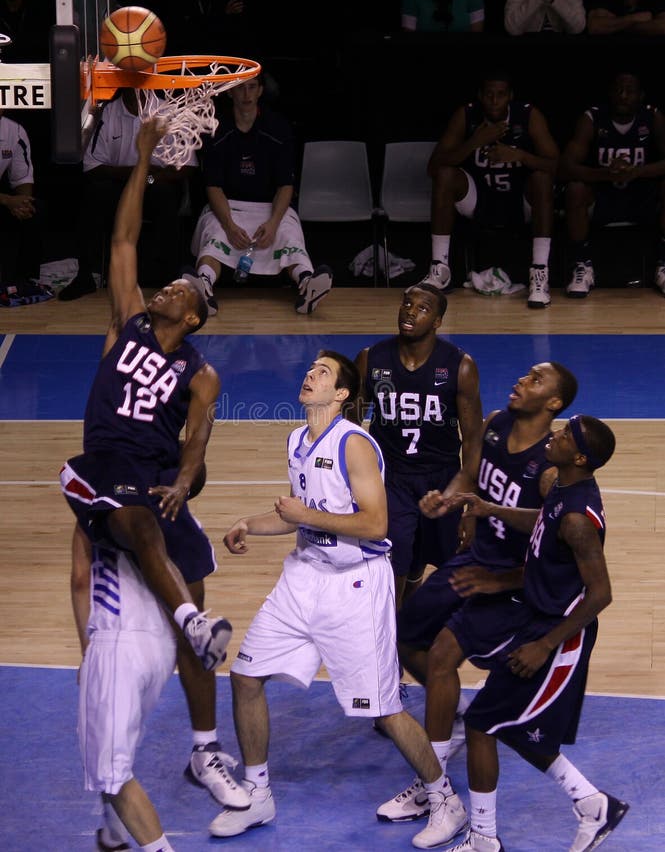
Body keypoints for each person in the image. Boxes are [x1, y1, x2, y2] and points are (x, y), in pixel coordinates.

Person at [210, 351, 453, 843]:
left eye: (322, 372)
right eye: (310, 369)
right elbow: (298, 513)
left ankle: (445, 800)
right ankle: (258, 795)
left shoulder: (354, 444)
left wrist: (305, 516)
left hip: (356, 585)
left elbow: (375, 524)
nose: (310, 374)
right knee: (245, 677)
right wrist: (249, 524)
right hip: (304, 577)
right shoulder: (296, 440)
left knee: (384, 709)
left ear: (342, 393)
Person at [60, 118, 232, 677]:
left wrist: (184, 480)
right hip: (106, 464)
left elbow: (198, 437)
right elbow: (124, 239)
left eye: (179, 290)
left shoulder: (200, 372)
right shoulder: (127, 325)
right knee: (82, 573)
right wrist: (143, 158)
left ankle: (192, 650)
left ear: (192, 317)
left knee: (181, 566)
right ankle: (92, 661)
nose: (166, 289)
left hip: (151, 471)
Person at [377, 361, 578, 835]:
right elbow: (469, 474)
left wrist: (504, 571)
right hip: (473, 559)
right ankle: (448, 717)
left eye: (535, 380)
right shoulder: (495, 424)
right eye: (525, 374)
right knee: (404, 637)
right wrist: (449, 499)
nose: (521, 380)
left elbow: (557, 544)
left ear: (554, 403)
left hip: (512, 579)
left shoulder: (550, 469)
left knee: (444, 656)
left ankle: (434, 784)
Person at [421, 415, 630, 851]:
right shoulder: (564, 490)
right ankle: (592, 804)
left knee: (482, 724)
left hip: (558, 637)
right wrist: (492, 509)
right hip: (537, 622)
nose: (554, 435)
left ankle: (484, 838)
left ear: (579, 457)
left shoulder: (577, 519)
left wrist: (544, 645)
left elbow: (601, 594)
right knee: (508, 726)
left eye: (565, 436)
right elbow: (543, 520)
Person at [70, 462, 249, 852]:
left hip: (117, 645)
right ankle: (113, 834)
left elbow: (81, 580)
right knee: (115, 751)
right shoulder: (179, 522)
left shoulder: (98, 510)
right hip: (162, 648)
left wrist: (87, 652)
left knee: (112, 772)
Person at [355, 282, 483, 608]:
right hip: (390, 476)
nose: (410, 312)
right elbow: (349, 427)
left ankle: (416, 606)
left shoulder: (459, 366)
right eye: (407, 304)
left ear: (437, 321)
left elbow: (472, 440)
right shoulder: (372, 359)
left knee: (433, 558)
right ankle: (390, 626)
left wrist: (469, 504)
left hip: (441, 476)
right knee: (393, 554)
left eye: (422, 308)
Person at [191, 74, 333, 315]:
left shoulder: (278, 128)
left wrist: (273, 224)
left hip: (269, 208)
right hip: (228, 207)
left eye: (252, 87)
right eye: (241, 88)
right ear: (230, 92)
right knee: (214, 233)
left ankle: (307, 283)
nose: (246, 94)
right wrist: (229, 226)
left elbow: (285, 186)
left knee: (288, 234)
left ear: (260, 91)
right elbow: (213, 187)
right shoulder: (216, 129)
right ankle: (203, 285)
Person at [424, 71, 559, 308]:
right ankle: (440, 270)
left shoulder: (528, 115)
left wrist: (519, 155)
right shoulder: (466, 115)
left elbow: (558, 166)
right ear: (480, 96)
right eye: (489, 95)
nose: (494, 101)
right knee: (445, 175)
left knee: (542, 179)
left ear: (510, 96)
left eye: (501, 95)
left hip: (519, 200)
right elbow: (433, 167)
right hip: (479, 198)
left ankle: (540, 273)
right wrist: (474, 142)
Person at [59, 88, 197, 301]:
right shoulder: (106, 113)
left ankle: (169, 278)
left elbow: (187, 166)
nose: (137, 85)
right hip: (120, 184)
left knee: (165, 195)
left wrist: (147, 178)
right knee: (94, 193)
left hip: (155, 184)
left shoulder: (169, 111)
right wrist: (137, 173)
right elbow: (92, 166)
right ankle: (85, 276)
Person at [560, 71, 665, 298]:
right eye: (618, 90)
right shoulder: (592, 118)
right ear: (610, 93)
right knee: (575, 189)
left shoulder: (652, 116)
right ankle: (582, 265)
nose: (623, 96)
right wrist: (606, 174)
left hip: (641, 197)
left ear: (641, 95)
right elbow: (566, 167)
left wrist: (637, 172)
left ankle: (663, 264)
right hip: (603, 197)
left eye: (630, 91)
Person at [0, 107, 49, 305]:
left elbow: (22, 178)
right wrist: (7, 200)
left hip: (3, 198)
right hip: (2, 198)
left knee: (36, 209)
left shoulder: (14, 131)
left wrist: (23, 204)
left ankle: (21, 280)